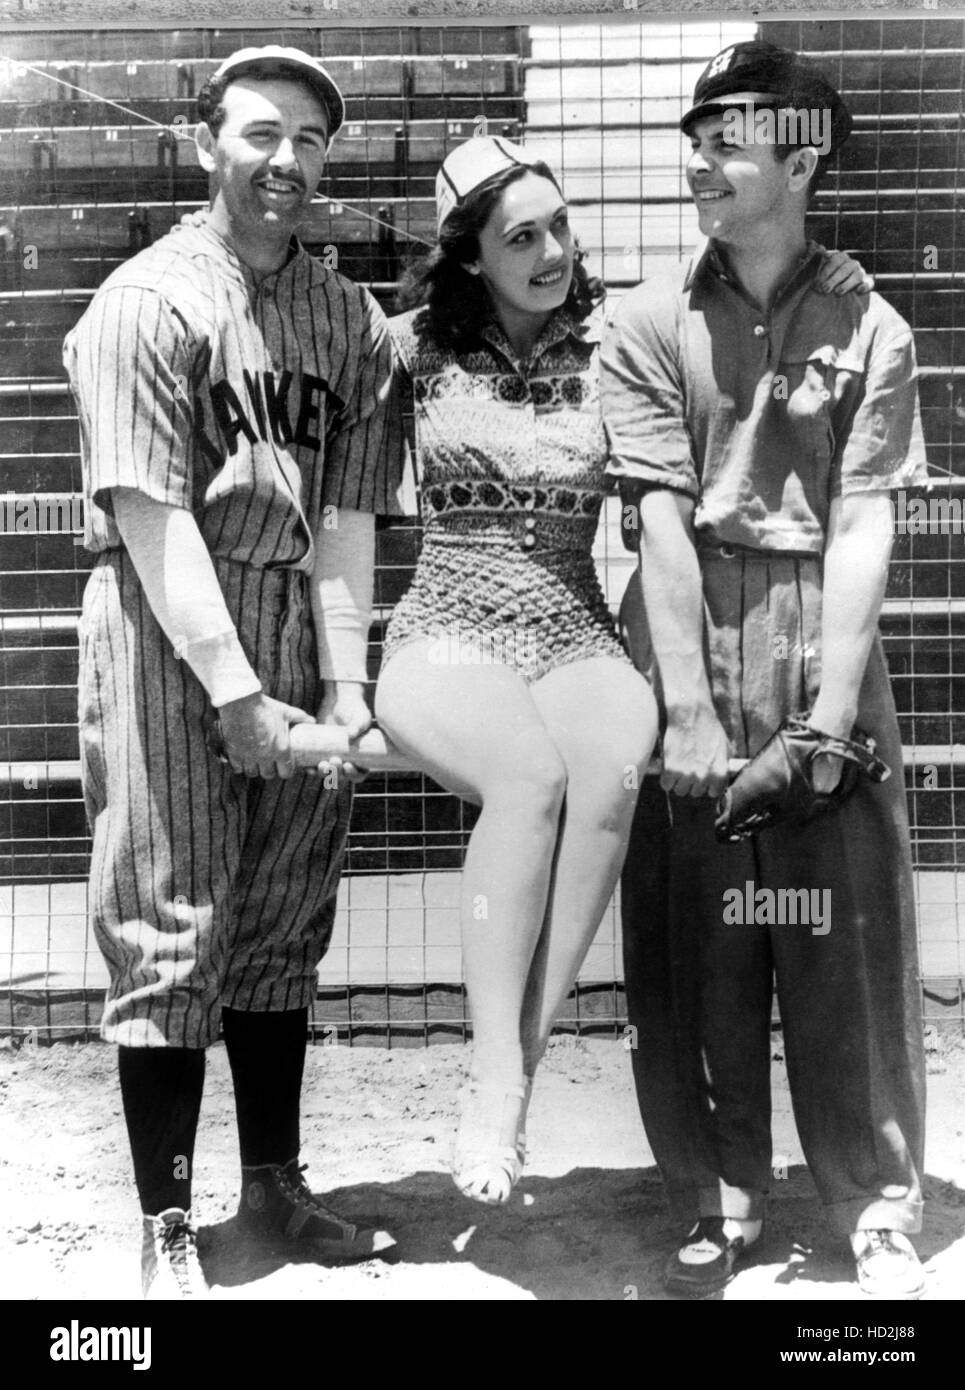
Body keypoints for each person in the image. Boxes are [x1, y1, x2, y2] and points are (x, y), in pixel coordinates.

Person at [373, 135, 866, 1207]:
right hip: (444, 621)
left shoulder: (611, 346)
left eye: (560, 224)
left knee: (607, 769)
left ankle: (514, 1068)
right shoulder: (402, 348)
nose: (553, 250)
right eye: (521, 237)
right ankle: (497, 1076)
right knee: (529, 778)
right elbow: (336, 509)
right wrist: (325, 676)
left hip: (570, 617)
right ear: (467, 257)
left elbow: (659, 505)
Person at [63, 45, 403, 1298]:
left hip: (297, 612)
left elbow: (352, 517)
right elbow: (151, 519)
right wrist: (234, 689)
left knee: (277, 923)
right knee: (171, 916)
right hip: (167, 622)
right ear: (204, 141)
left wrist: (345, 682)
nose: (287, 162)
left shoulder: (347, 316)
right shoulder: (145, 301)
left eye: (311, 140)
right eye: (261, 133)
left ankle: (274, 1189)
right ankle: (163, 1217)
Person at [600, 40, 929, 1300]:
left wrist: (833, 718)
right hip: (689, 623)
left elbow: (860, 525)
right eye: (695, 135)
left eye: (727, 139)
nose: (699, 158)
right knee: (701, 935)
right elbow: (660, 521)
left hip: (818, 628)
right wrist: (684, 706)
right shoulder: (642, 321)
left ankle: (875, 1202)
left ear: (801, 157)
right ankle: (716, 1195)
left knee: (840, 936)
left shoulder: (869, 322)